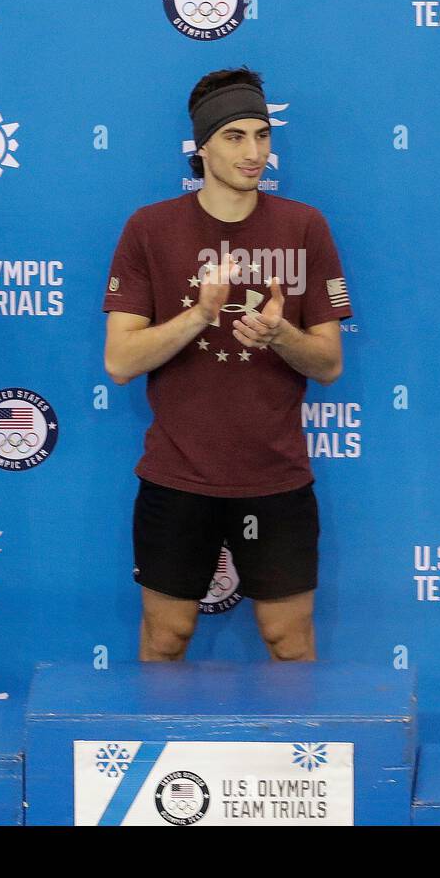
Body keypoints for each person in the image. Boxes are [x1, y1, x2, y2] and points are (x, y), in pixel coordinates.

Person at [103, 68, 351, 663]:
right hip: (177, 476)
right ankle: (155, 756)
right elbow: (118, 361)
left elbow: (329, 364)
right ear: (202, 147)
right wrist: (197, 315)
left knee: (288, 640)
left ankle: (302, 757)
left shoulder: (304, 227)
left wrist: (279, 333)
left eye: (262, 136)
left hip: (277, 477)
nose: (254, 152)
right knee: (166, 638)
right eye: (236, 136)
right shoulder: (149, 229)